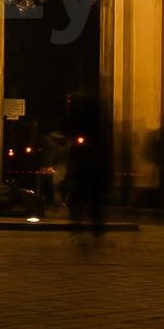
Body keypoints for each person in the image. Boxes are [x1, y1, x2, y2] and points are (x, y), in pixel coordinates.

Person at [63, 92, 110, 238]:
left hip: (84, 165)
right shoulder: (97, 122)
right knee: (91, 195)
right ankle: (94, 224)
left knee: (79, 194)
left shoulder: (79, 121)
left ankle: (80, 223)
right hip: (92, 164)